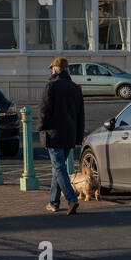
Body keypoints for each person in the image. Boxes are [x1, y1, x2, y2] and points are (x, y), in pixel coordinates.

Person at [38, 56, 85, 214]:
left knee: (59, 168)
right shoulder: (75, 88)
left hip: (53, 134)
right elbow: (80, 115)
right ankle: (53, 202)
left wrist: (40, 127)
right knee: (58, 169)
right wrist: (78, 136)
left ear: (54, 70)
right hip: (69, 135)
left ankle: (72, 199)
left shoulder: (51, 86)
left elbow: (44, 111)